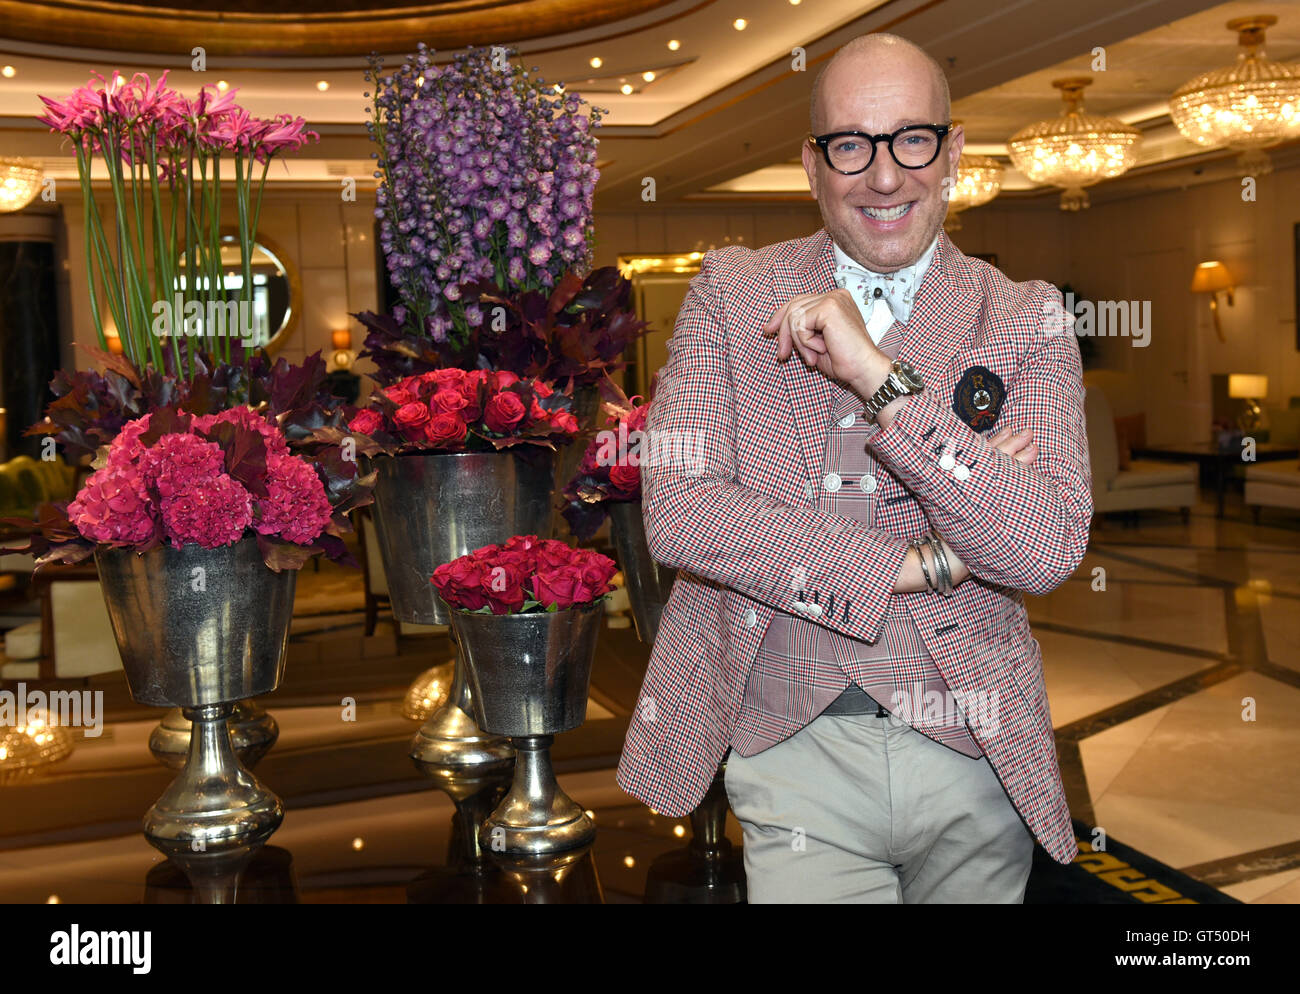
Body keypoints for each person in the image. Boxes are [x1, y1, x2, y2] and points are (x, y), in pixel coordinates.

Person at [615, 32, 1093, 903]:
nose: (883, 176)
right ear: (812, 164)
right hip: (793, 755)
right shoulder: (731, 293)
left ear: (952, 151)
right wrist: (922, 562)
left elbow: (1043, 547)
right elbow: (682, 514)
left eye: (912, 139)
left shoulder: (1028, 318)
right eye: (851, 145)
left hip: (975, 748)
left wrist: (879, 379)